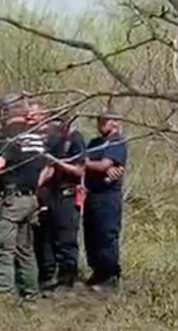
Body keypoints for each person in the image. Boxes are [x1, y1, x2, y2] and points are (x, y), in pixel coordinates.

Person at [0, 93, 51, 302]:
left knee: (2, 249)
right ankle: (30, 297)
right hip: (30, 199)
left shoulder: (6, 134)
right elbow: (47, 168)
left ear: (5, 112)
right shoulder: (35, 136)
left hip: (9, 199)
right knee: (25, 251)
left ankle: (3, 298)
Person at [33, 107, 85, 292]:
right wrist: (36, 187)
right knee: (51, 237)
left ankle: (68, 278)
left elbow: (80, 169)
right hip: (53, 193)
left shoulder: (76, 140)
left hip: (68, 194)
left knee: (66, 237)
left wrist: (59, 164)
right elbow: (49, 167)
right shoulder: (56, 141)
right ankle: (51, 277)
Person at [83, 110, 127, 291]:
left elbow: (104, 165)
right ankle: (97, 272)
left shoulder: (117, 142)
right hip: (92, 193)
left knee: (106, 235)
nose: (100, 124)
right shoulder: (95, 143)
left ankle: (109, 276)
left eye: (105, 121)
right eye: (99, 121)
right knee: (91, 235)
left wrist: (88, 163)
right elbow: (88, 162)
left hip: (108, 196)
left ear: (115, 122)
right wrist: (93, 165)